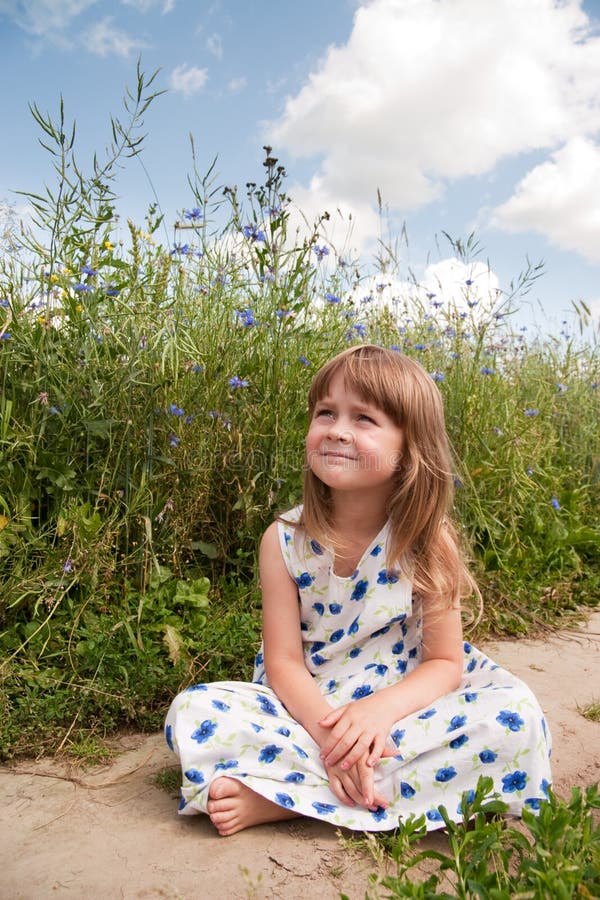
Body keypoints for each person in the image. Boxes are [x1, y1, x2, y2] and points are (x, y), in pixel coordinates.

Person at [165, 344, 552, 836]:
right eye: (326, 412)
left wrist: (374, 714)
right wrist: (334, 735)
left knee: (514, 718)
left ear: (410, 449)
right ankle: (356, 780)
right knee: (194, 711)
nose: (337, 430)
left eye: (364, 419)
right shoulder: (283, 539)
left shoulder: (429, 540)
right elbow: (282, 662)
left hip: (403, 704)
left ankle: (287, 798)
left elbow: (445, 664)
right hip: (307, 706)